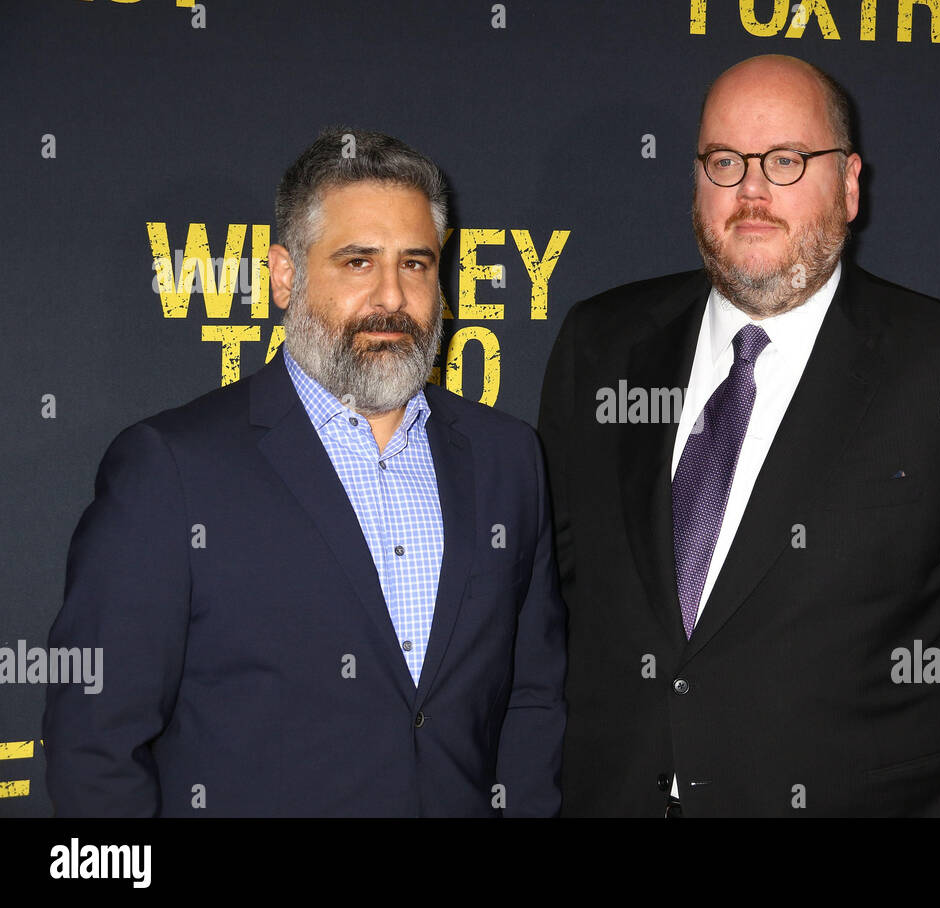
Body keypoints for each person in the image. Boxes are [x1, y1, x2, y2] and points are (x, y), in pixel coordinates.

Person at [538, 55, 940, 817]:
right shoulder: (599, 346)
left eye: (787, 160)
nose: (752, 190)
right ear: (695, 181)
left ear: (851, 185)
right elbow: (549, 608)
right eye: (725, 162)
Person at [43, 128, 565, 817]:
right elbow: (95, 749)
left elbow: (532, 699)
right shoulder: (171, 468)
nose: (392, 296)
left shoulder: (507, 459)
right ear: (285, 275)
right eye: (357, 262)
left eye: (415, 263)